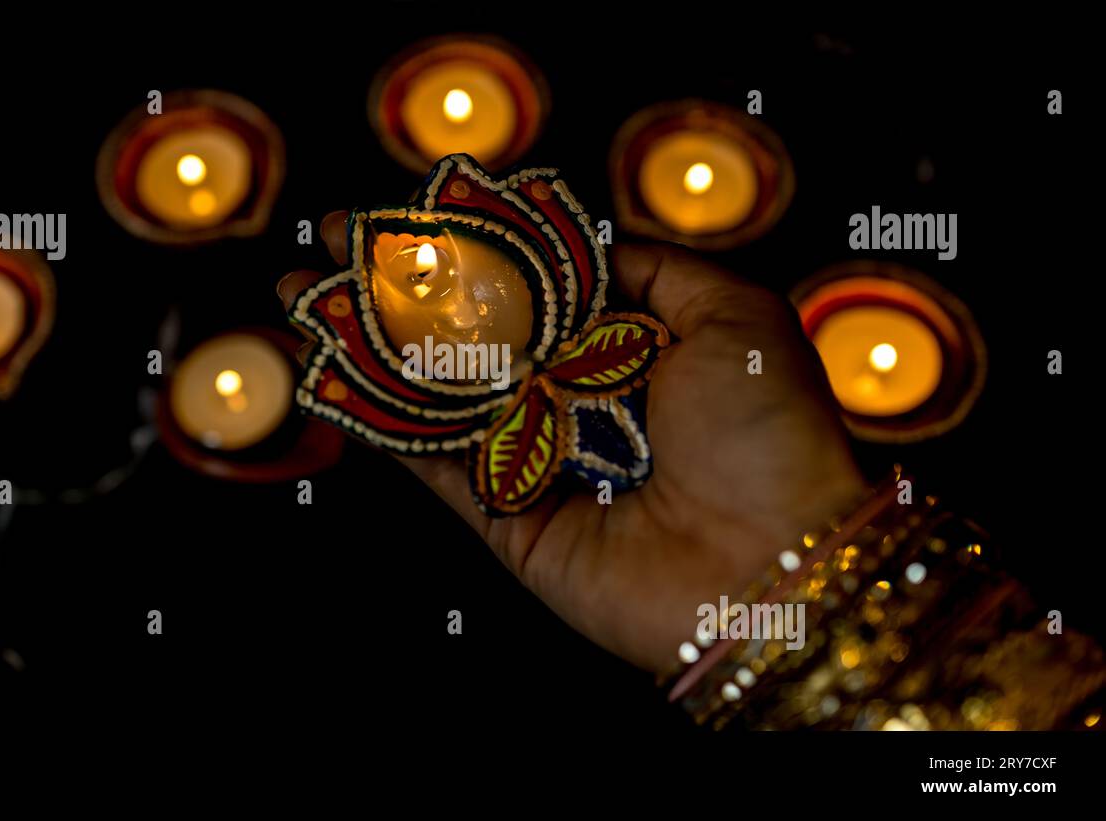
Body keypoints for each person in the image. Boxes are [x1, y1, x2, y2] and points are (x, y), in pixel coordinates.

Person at [279, 214, 1104, 731]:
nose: (439, 285)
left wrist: (780, 564)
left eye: (442, 268)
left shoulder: (606, 341)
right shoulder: (494, 408)